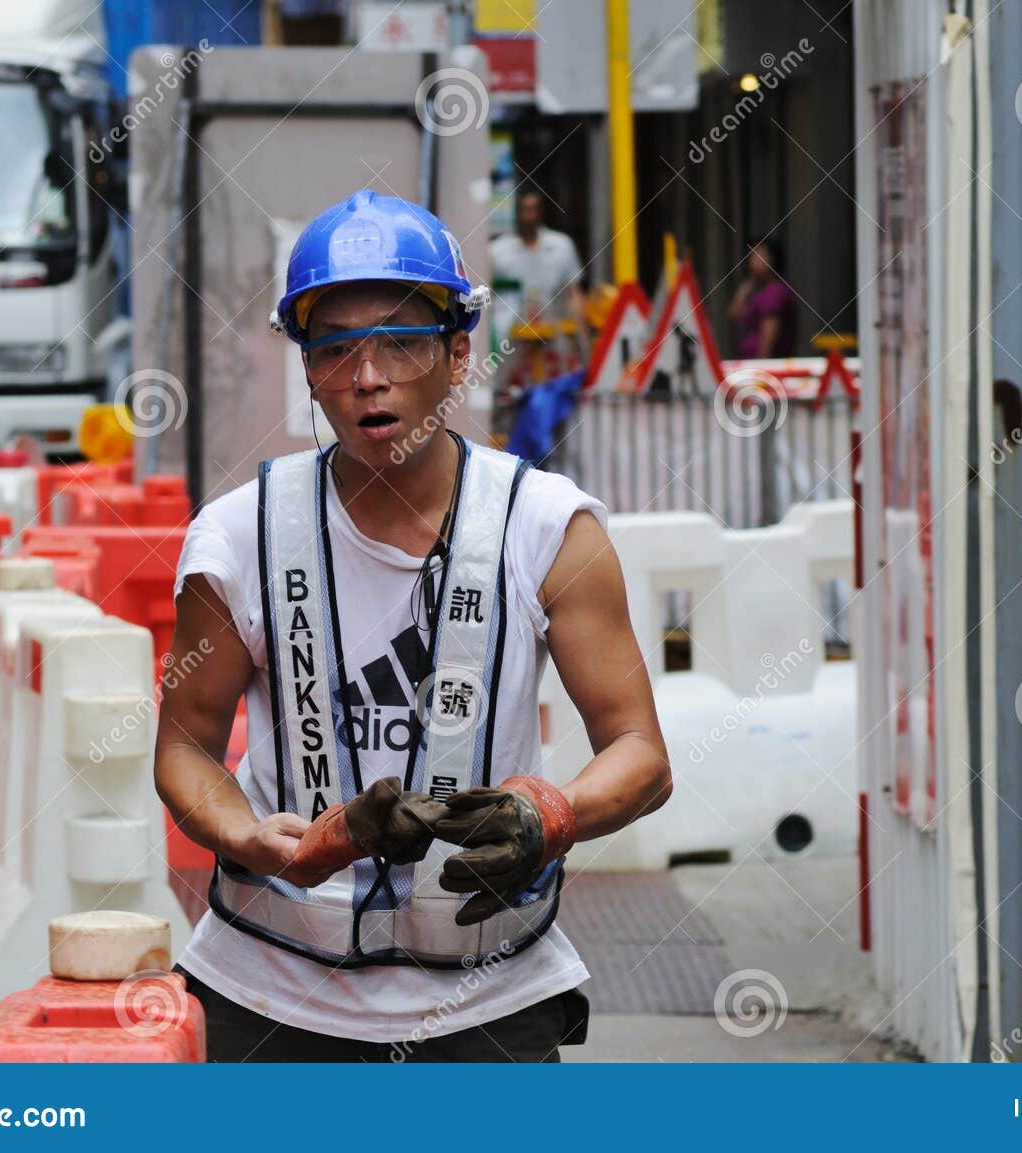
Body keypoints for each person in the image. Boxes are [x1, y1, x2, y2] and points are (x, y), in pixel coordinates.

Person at [154, 190, 672, 1062]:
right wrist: (249, 835)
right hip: (272, 996)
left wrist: (550, 811)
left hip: (487, 1002)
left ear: (459, 352)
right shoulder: (237, 537)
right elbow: (183, 745)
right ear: (308, 369)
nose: (368, 376)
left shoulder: (548, 529)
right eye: (336, 349)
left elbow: (640, 752)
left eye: (400, 340)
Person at [487, 191, 589, 440]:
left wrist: (584, 343)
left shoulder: (561, 246)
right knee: (508, 400)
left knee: (553, 399)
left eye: (533, 210)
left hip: (553, 343)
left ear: (541, 213)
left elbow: (574, 294)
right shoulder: (497, 251)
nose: (528, 216)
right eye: (524, 209)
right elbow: (486, 296)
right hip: (509, 345)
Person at [729, 238, 797, 360]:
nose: (753, 262)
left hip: (763, 364)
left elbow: (769, 334)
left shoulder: (775, 291)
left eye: (759, 256)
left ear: (773, 259)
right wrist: (745, 290)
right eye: (751, 256)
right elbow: (734, 314)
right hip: (747, 362)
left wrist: (762, 363)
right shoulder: (756, 290)